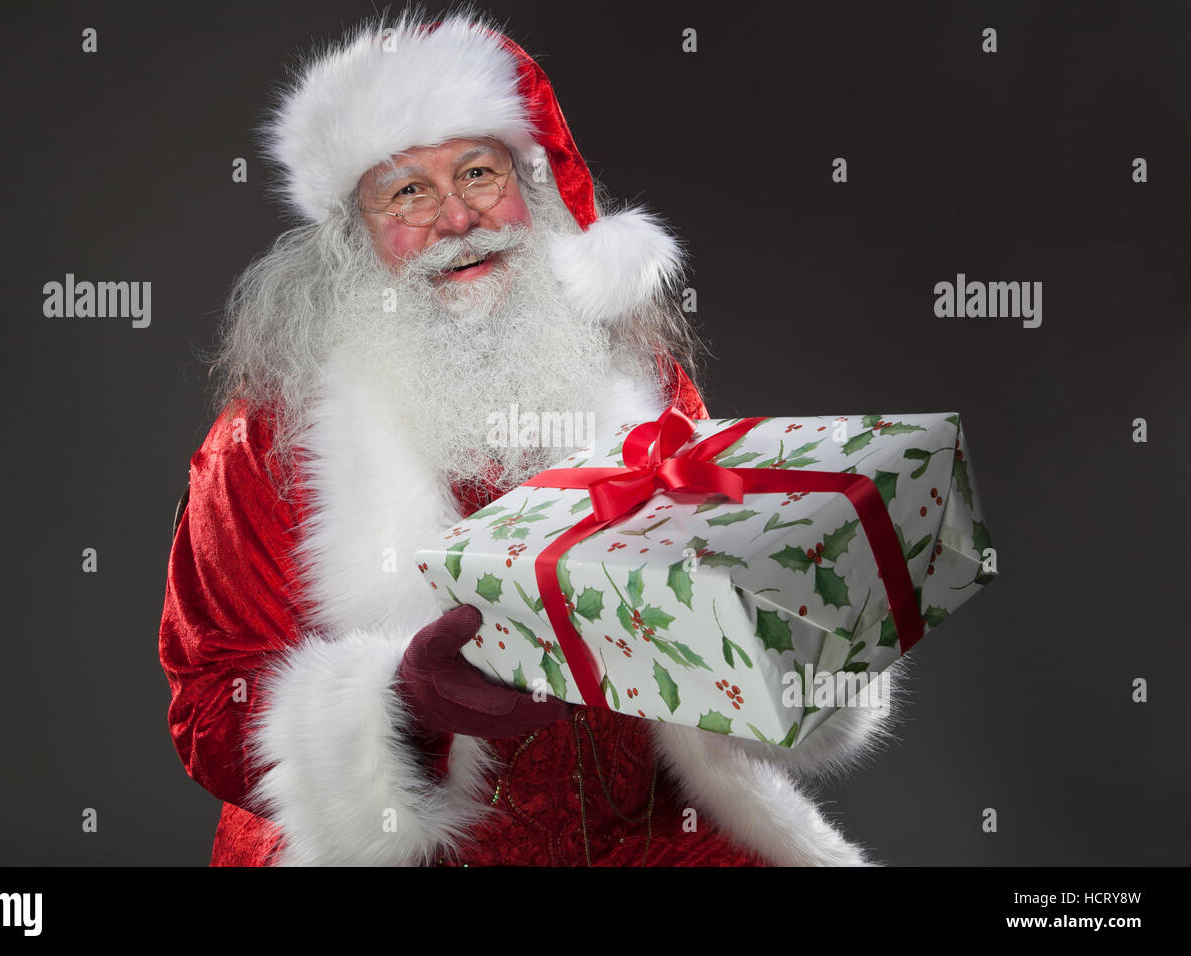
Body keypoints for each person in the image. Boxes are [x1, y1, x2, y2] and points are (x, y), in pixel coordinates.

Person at [158, 9, 899, 867]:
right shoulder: (265, 442)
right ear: (355, 242)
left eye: (479, 173)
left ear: (532, 189)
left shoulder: (636, 375)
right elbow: (211, 701)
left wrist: (797, 608)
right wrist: (405, 704)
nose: (459, 220)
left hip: (643, 836)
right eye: (408, 192)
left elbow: (720, 590)